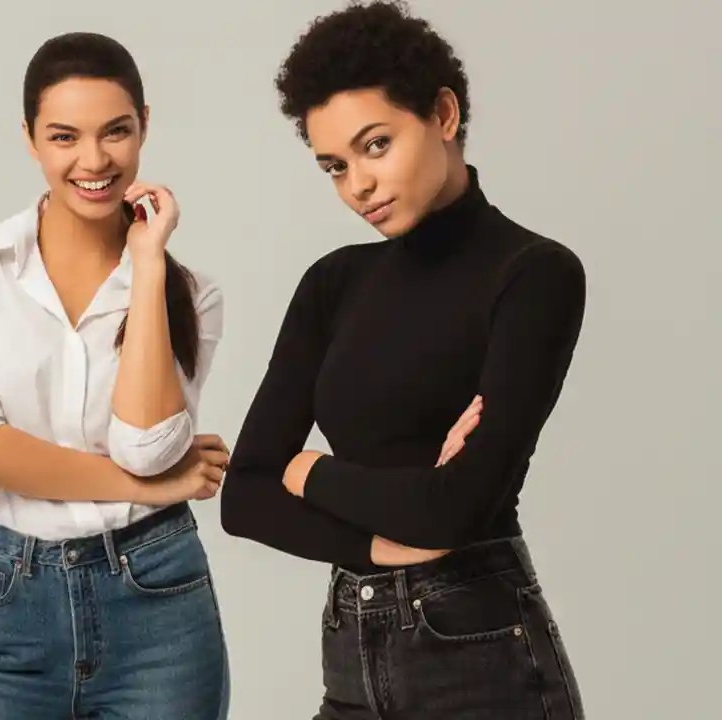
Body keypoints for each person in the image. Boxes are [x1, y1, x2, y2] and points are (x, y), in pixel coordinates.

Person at [220, 3, 586, 717]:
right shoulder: (335, 282)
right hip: (350, 649)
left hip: (479, 655)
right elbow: (244, 498)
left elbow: (454, 510)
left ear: (443, 114)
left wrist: (308, 471)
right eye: (334, 165)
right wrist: (385, 542)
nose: (356, 185)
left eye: (375, 145)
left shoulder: (533, 274)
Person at [0, 31, 230, 719]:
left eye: (116, 132)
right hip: (10, 607)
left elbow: (145, 445)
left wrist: (148, 265)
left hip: (159, 609)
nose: (94, 160)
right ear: (30, 138)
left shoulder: (189, 292)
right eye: (64, 137)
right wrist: (148, 486)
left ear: (144, 125)